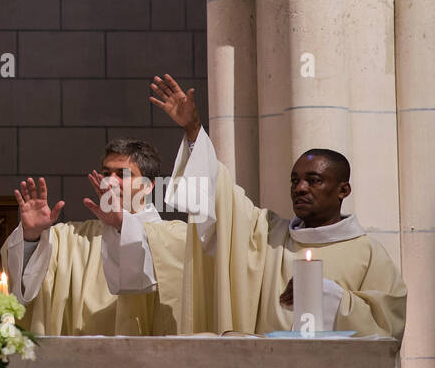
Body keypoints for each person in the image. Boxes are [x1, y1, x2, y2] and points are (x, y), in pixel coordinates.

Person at [151, 73, 406, 337]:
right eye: (295, 180)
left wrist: (326, 294)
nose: (300, 188)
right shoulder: (268, 235)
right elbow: (221, 197)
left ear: (344, 190)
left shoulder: (368, 253)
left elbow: (387, 328)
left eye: (313, 180)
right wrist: (193, 131)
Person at [2, 140, 187, 335]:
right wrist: (31, 235)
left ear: (148, 186)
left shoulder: (172, 236)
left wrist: (122, 225)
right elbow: (26, 280)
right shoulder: (71, 238)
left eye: (123, 174)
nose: (110, 182)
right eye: (107, 174)